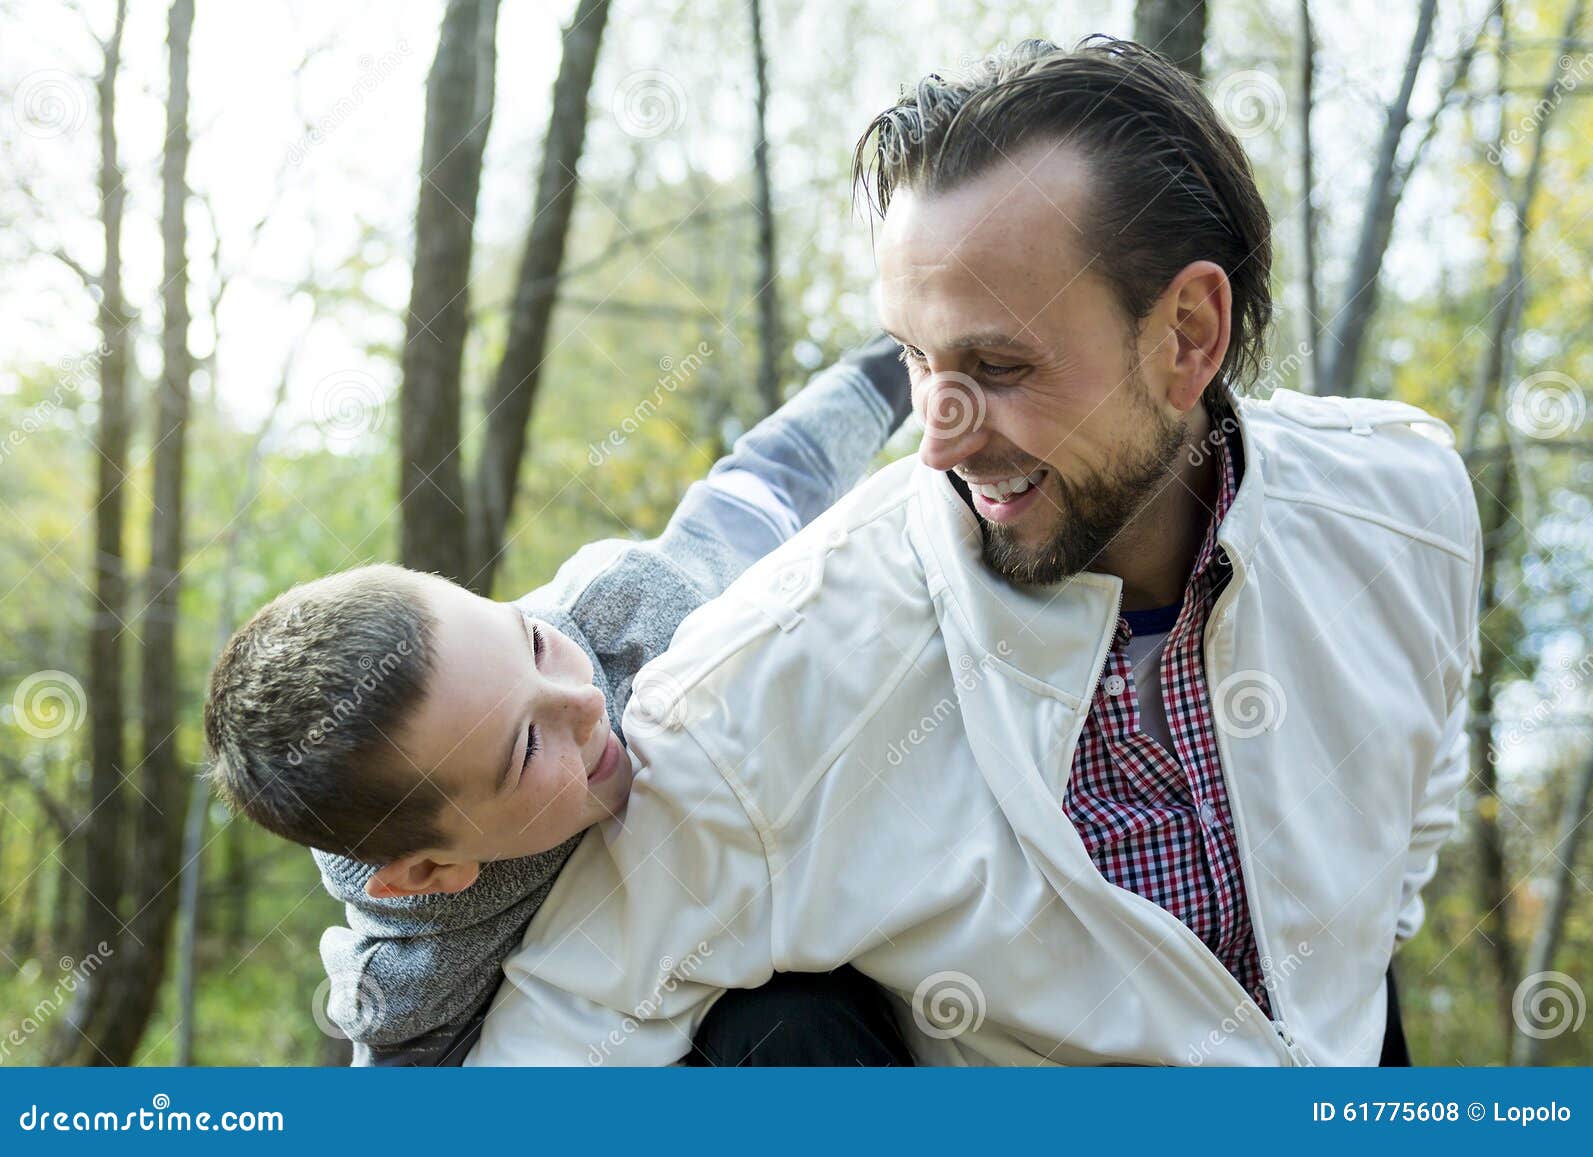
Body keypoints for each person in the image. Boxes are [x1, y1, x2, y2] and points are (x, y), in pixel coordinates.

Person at [463, 36, 1480, 1067]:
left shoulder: (1404, 505)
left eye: (998, 363)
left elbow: (1416, 795)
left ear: (1187, 333)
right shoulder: (769, 687)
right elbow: (551, 1047)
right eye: (915, 355)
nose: (937, 436)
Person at [201, 338, 911, 1064]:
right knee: (779, 1022)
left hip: (824, 925)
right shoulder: (419, 971)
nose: (581, 700)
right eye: (528, 748)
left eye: (535, 641)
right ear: (429, 872)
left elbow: (764, 487)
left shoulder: (626, 617)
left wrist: (903, 364)